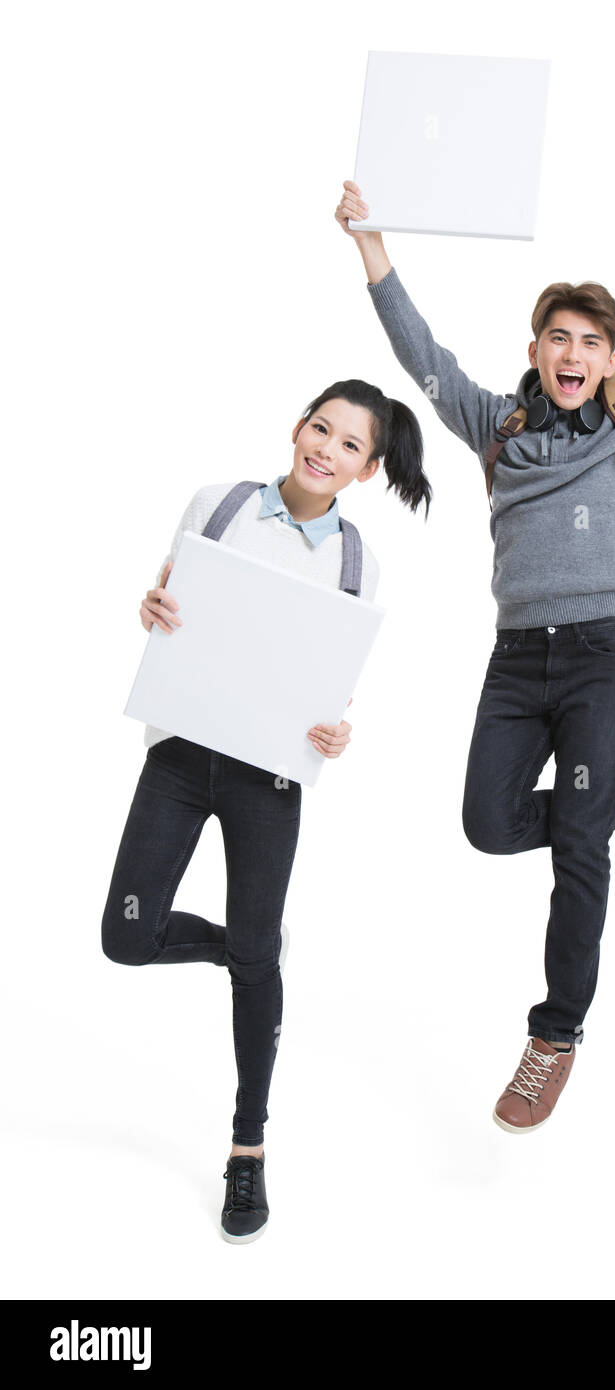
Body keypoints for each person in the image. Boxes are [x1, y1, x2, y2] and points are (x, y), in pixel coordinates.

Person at [335, 149, 615, 1133]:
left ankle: (554, 1035)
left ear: (611, 360)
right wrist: (371, 243)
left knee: (572, 854)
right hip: (513, 665)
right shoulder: (496, 428)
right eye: (556, 338)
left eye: (590, 341)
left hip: (595, 660)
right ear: (535, 352)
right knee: (488, 824)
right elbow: (422, 357)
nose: (572, 353)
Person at [101, 381, 432, 1240]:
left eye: (350, 445)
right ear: (297, 427)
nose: (326, 448)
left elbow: (330, 689)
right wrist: (149, 606)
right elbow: (170, 605)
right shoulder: (218, 506)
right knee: (127, 935)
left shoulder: (358, 564)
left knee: (256, 968)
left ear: (366, 469)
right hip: (179, 755)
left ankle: (247, 1151)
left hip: (269, 781)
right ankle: (249, 949)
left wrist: (336, 731)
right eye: (320, 427)